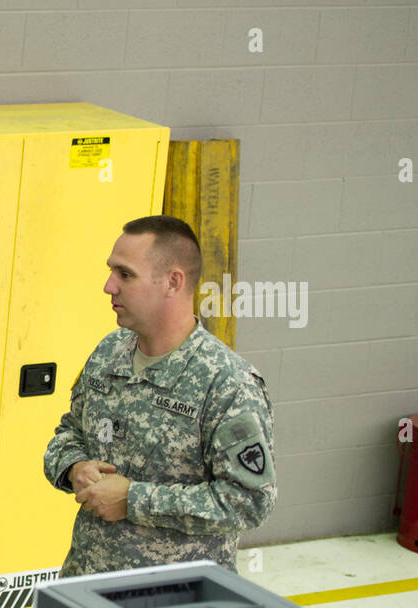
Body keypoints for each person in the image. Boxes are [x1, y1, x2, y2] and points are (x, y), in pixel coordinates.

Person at [43, 215, 276, 577]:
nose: (108, 286)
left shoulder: (226, 383)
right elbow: (68, 433)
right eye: (111, 271)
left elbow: (250, 500)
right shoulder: (109, 353)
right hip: (87, 582)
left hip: (173, 596)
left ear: (173, 282)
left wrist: (133, 500)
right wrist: (75, 467)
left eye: (125, 275)